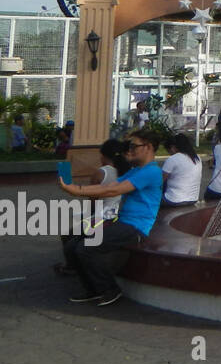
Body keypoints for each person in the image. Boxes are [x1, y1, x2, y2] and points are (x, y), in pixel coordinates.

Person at [60, 131, 164, 306]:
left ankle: (109, 289)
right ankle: (92, 290)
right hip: (122, 222)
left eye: (133, 146)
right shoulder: (137, 170)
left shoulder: (152, 172)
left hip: (136, 227)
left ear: (149, 147)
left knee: (85, 248)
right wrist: (74, 188)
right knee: (72, 245)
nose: (129, 150)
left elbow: (114, 191)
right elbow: (109, 185)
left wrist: (76, 190)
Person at [55, 139, 128, 277]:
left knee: (68, 236)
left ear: (104, 155)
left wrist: (88, 217)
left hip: (104, 216)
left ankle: (71, 267)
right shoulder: (128, 170)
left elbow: (93, 201)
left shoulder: (101, 173)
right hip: (120, 215)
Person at [161, 133, 202, 207]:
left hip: (174, 200)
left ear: (173, 147)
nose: (170, 153)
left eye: (169, 151)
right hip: (193, 199)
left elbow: (160, 181)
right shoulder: (197, 158)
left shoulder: (173, 159)